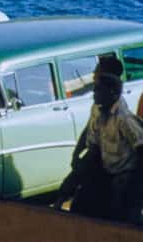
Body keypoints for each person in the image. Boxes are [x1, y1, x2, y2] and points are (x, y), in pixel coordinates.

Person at [57, 57, 143, 223]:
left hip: (124, 172)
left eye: (97, 90)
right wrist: (78, 156)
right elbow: (91, 136)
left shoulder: (123, 118)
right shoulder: (99, 108)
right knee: (83, 198)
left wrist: (134, 182)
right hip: (104, 164)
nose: (93, 94)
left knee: (121, 212)